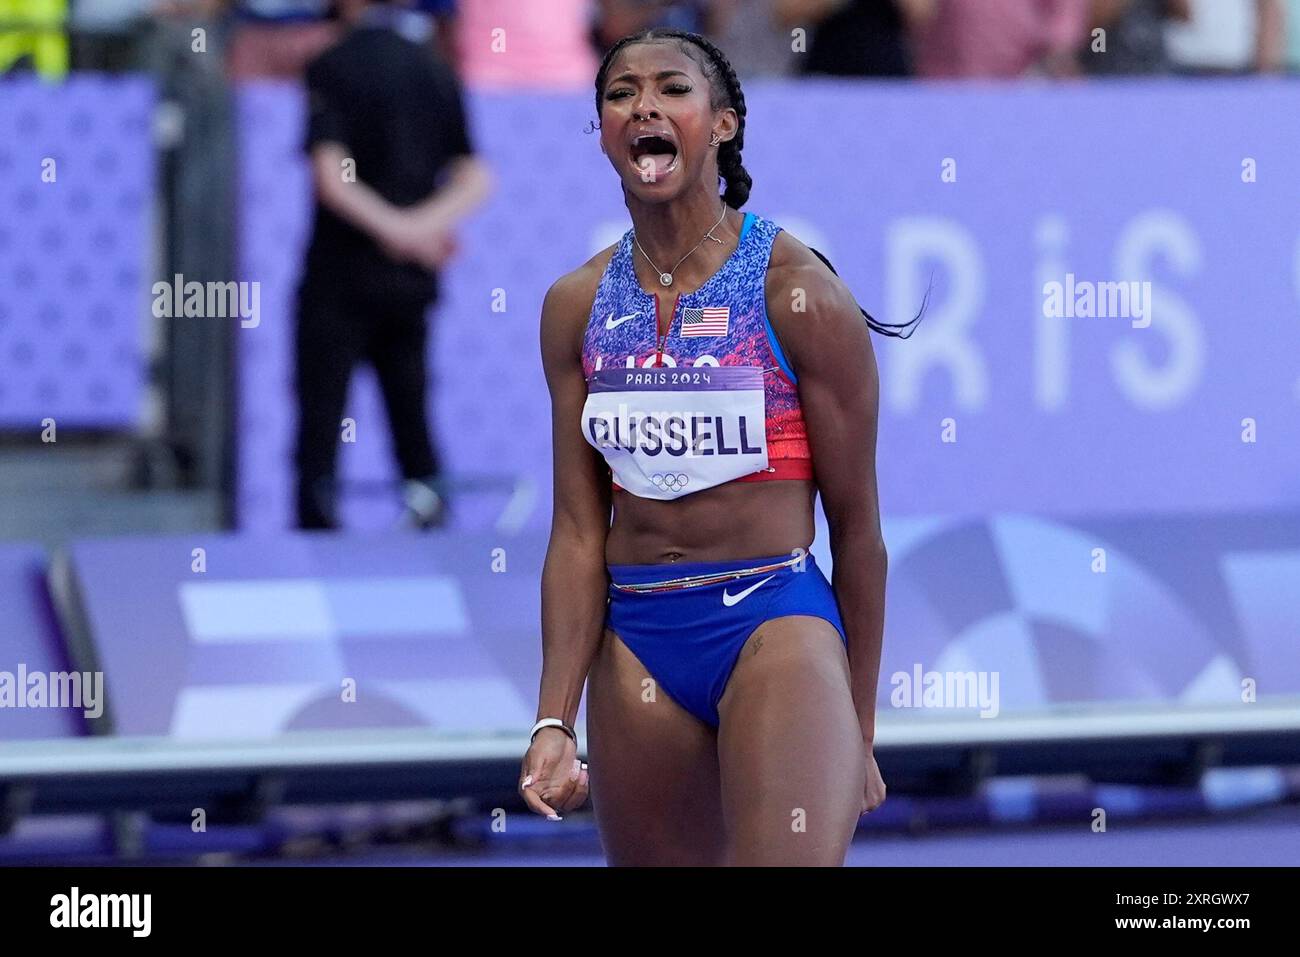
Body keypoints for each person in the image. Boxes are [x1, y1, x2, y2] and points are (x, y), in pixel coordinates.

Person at [520, 29, 914, 865]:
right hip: (637, 641)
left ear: (723, 124)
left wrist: (859, 726)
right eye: (621, 94)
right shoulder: (575, 306)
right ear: (602, 131)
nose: (645, 107)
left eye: (672, 89)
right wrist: (554, 718)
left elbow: (860, 531)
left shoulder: (797, 293)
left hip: (773, 622)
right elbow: (578, 532)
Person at [294, 0, 490, 530]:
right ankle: (435, 547)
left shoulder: (333, 63)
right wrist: (418, 231)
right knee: (413, 422)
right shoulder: (434, 64)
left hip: (339, 278)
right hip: (409, 283)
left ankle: (314, 554)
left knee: (320, 432)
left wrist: (398, 231)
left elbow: (332, 179)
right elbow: (475, 177)